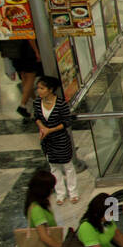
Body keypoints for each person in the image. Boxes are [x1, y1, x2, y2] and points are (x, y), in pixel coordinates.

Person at [33, 75, 78, 204]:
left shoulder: (60, 104)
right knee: (53, 167)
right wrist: (42, 128)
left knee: (68, 166)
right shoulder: (37, 103)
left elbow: (66, 121)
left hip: (60, 139)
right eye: (38, 88)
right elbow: (36, 117)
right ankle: (60, 193)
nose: (39, 91)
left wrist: (50, 130)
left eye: (42, 88)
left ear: (50, 89)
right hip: (47, 141)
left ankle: (73, 192)